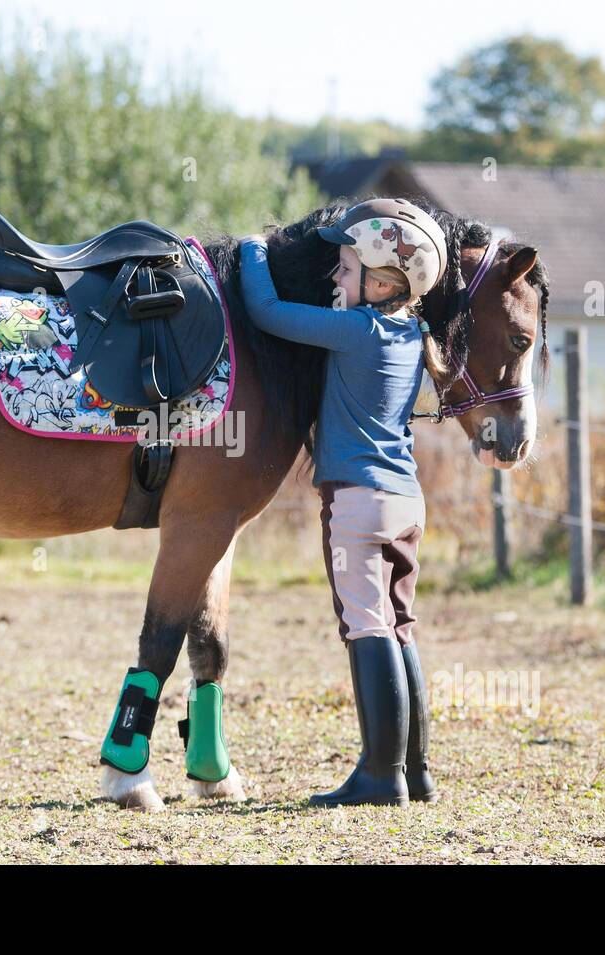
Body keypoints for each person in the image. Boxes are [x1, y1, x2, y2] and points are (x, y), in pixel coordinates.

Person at [239, 197, 445, 806]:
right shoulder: (411, 333)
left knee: (366, 626)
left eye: (347, 266)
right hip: (406, 502)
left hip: (360, 503)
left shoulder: (359, 330)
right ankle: (415, 771)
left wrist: (254, 247)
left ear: (383, 281)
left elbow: (266, 311)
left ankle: (380, 778)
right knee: (400, 627)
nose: (335, 275)